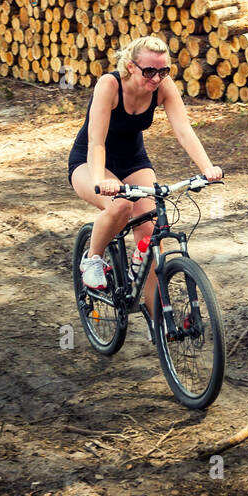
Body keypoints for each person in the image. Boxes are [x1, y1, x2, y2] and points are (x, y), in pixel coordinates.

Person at [68, 35, 222, 305]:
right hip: (91, 160)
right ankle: (92, 259)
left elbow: (184, 131)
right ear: (130, 66)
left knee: (151, 235)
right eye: (149, 71)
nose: (156, 78)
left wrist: (207, 168)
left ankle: (160, 326)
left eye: (164, 71)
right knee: (120, 206)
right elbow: (96, 142)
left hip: (133, 161)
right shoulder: (110, 84)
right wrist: (99, 180)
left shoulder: (163, 86)